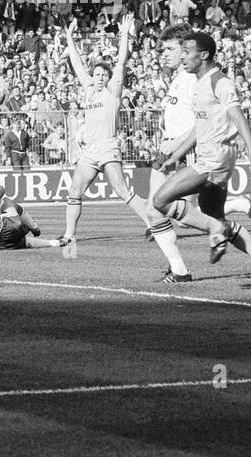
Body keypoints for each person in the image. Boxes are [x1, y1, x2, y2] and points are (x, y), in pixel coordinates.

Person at [55, 16, 192, 282]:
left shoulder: (112, 92)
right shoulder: (87, 90)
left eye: (103, 75)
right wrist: (69, 37)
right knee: (74, 192)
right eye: (96, 74)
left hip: (107, 148)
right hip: (89, 151)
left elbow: (121, 61)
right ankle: (70, 235)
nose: (99, 77)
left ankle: (152, 224)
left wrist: (125, 36)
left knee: (123, 192)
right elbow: (76, 63)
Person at [152, 31, 251, 271]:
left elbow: (239, 119)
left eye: (187, 52)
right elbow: (198, 128)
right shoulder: (200, 83)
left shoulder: (220, 82)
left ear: (203, 54)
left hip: (215, 157)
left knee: (160, 199)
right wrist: (175, 157)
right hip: (212, 155)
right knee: (215, 218)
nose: (183, 57)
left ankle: (217, 231)